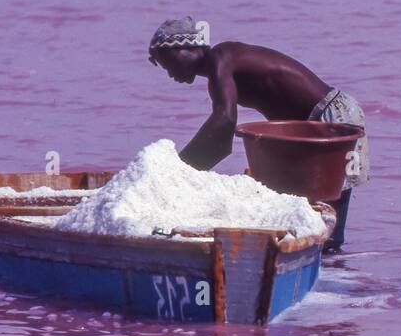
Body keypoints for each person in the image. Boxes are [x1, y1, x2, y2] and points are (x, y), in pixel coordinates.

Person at [147, 18, 369, 251]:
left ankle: (334, 268)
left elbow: (224, 120)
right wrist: (184, 172)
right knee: (306, 209)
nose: (169, 72)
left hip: (331, 115)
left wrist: (179, 171)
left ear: (188, 48)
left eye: (168, 62)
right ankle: (325, 264)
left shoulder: (222, 57)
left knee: (329, 214)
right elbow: (222, 131)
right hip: (304, 128)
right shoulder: (218, 76)